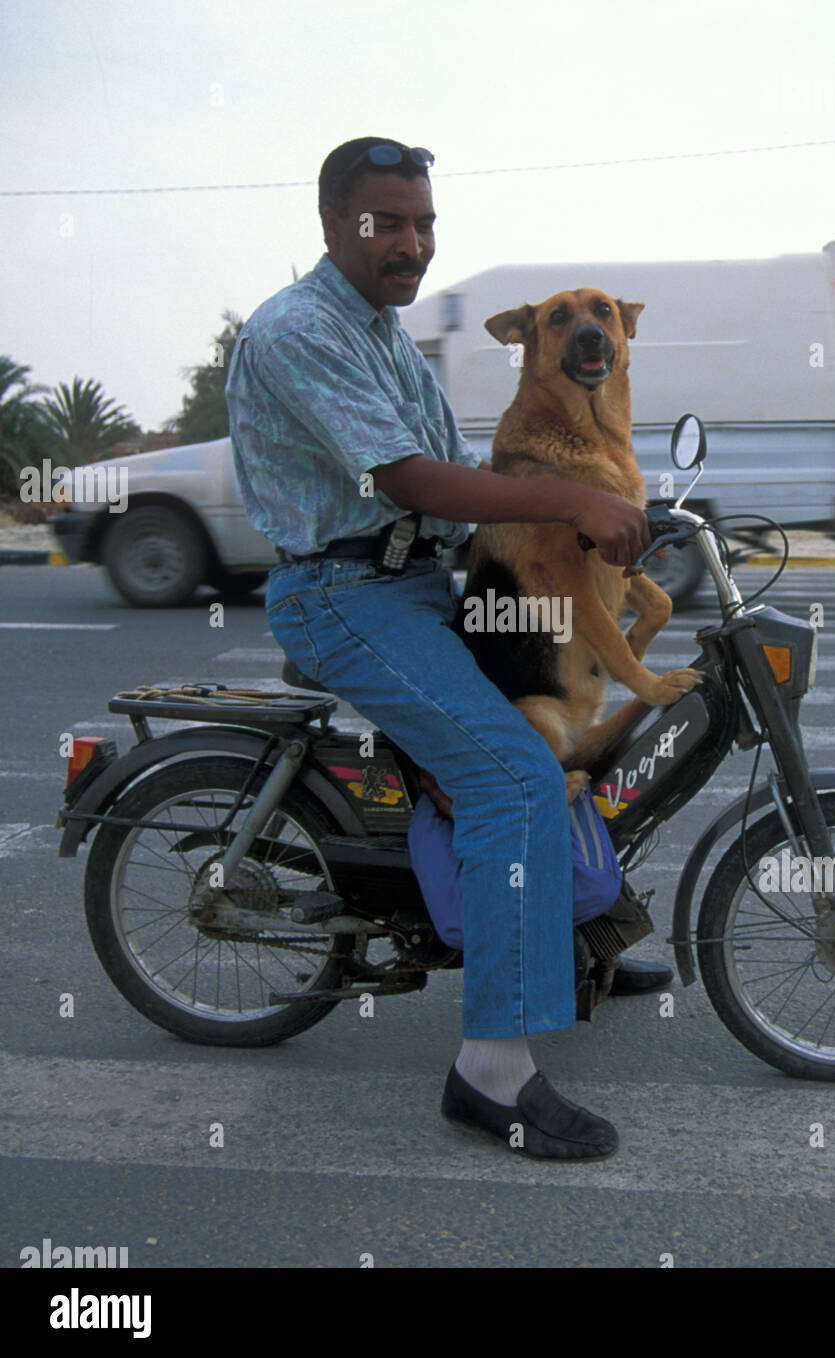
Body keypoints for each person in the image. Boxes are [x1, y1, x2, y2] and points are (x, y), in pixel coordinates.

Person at [225, 136, 672, 1161]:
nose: (413, 242)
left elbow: (466, 481)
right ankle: (491, 1074)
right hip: (345, 596)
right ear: (338, 222)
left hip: (416, 582)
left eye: (426, 222)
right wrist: (572, 498)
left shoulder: (385, 336)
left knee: (555, 699)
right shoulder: (300, 331)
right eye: (390, 221)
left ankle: (575, 930)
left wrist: (593, 526)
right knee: (516, 775)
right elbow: (413, 482)